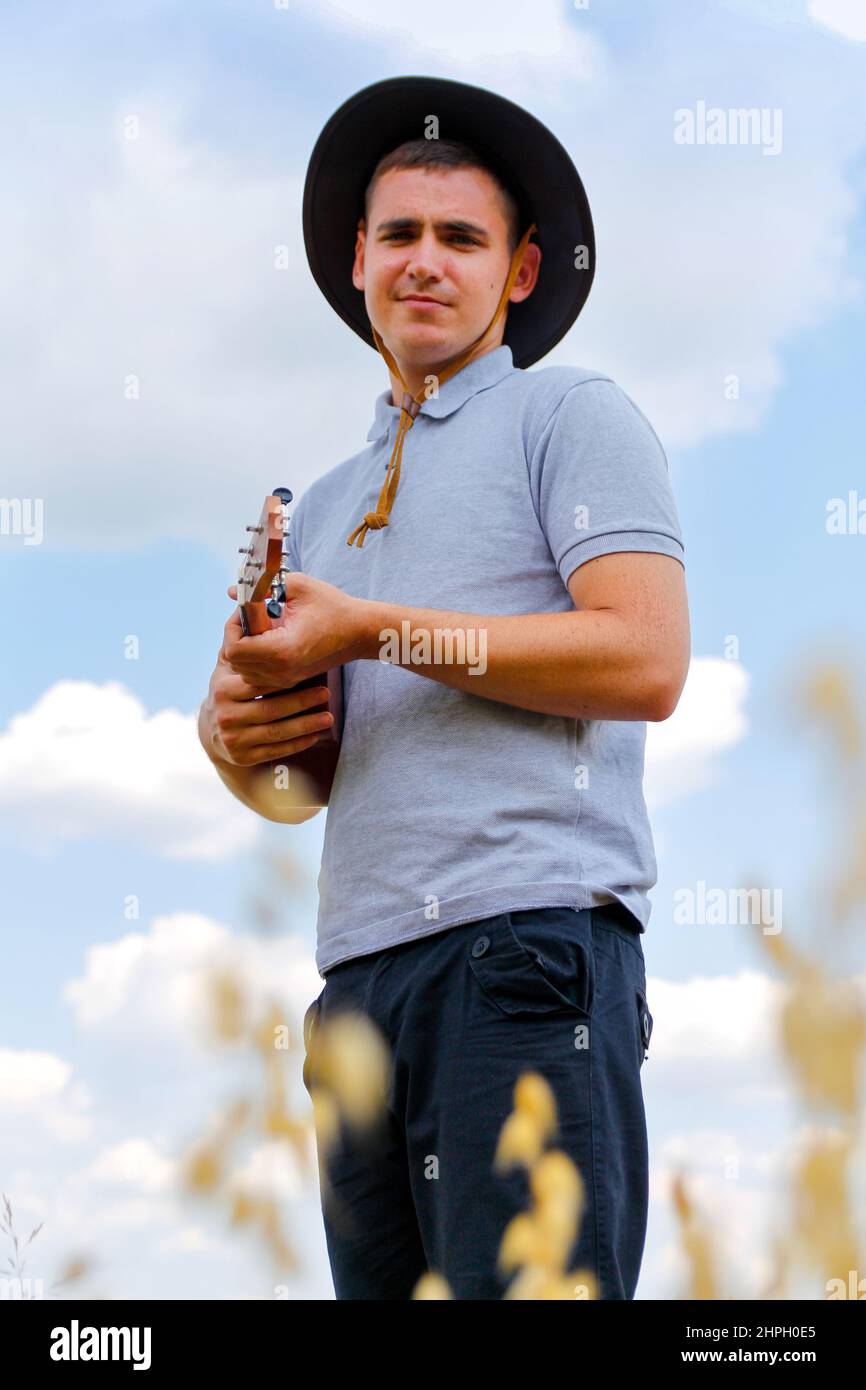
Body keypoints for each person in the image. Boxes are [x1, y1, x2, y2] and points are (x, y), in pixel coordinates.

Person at [197, 76, 690, 1299]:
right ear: (357, 257)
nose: (424, 260)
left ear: (516, 272)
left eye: (460, 237)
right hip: (357, 981)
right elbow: (306, 781)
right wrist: (233, 738)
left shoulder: (567, 412)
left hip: (524, 947)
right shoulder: (317, 503)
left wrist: (371, 627)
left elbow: (644, 659)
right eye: (400, 233)